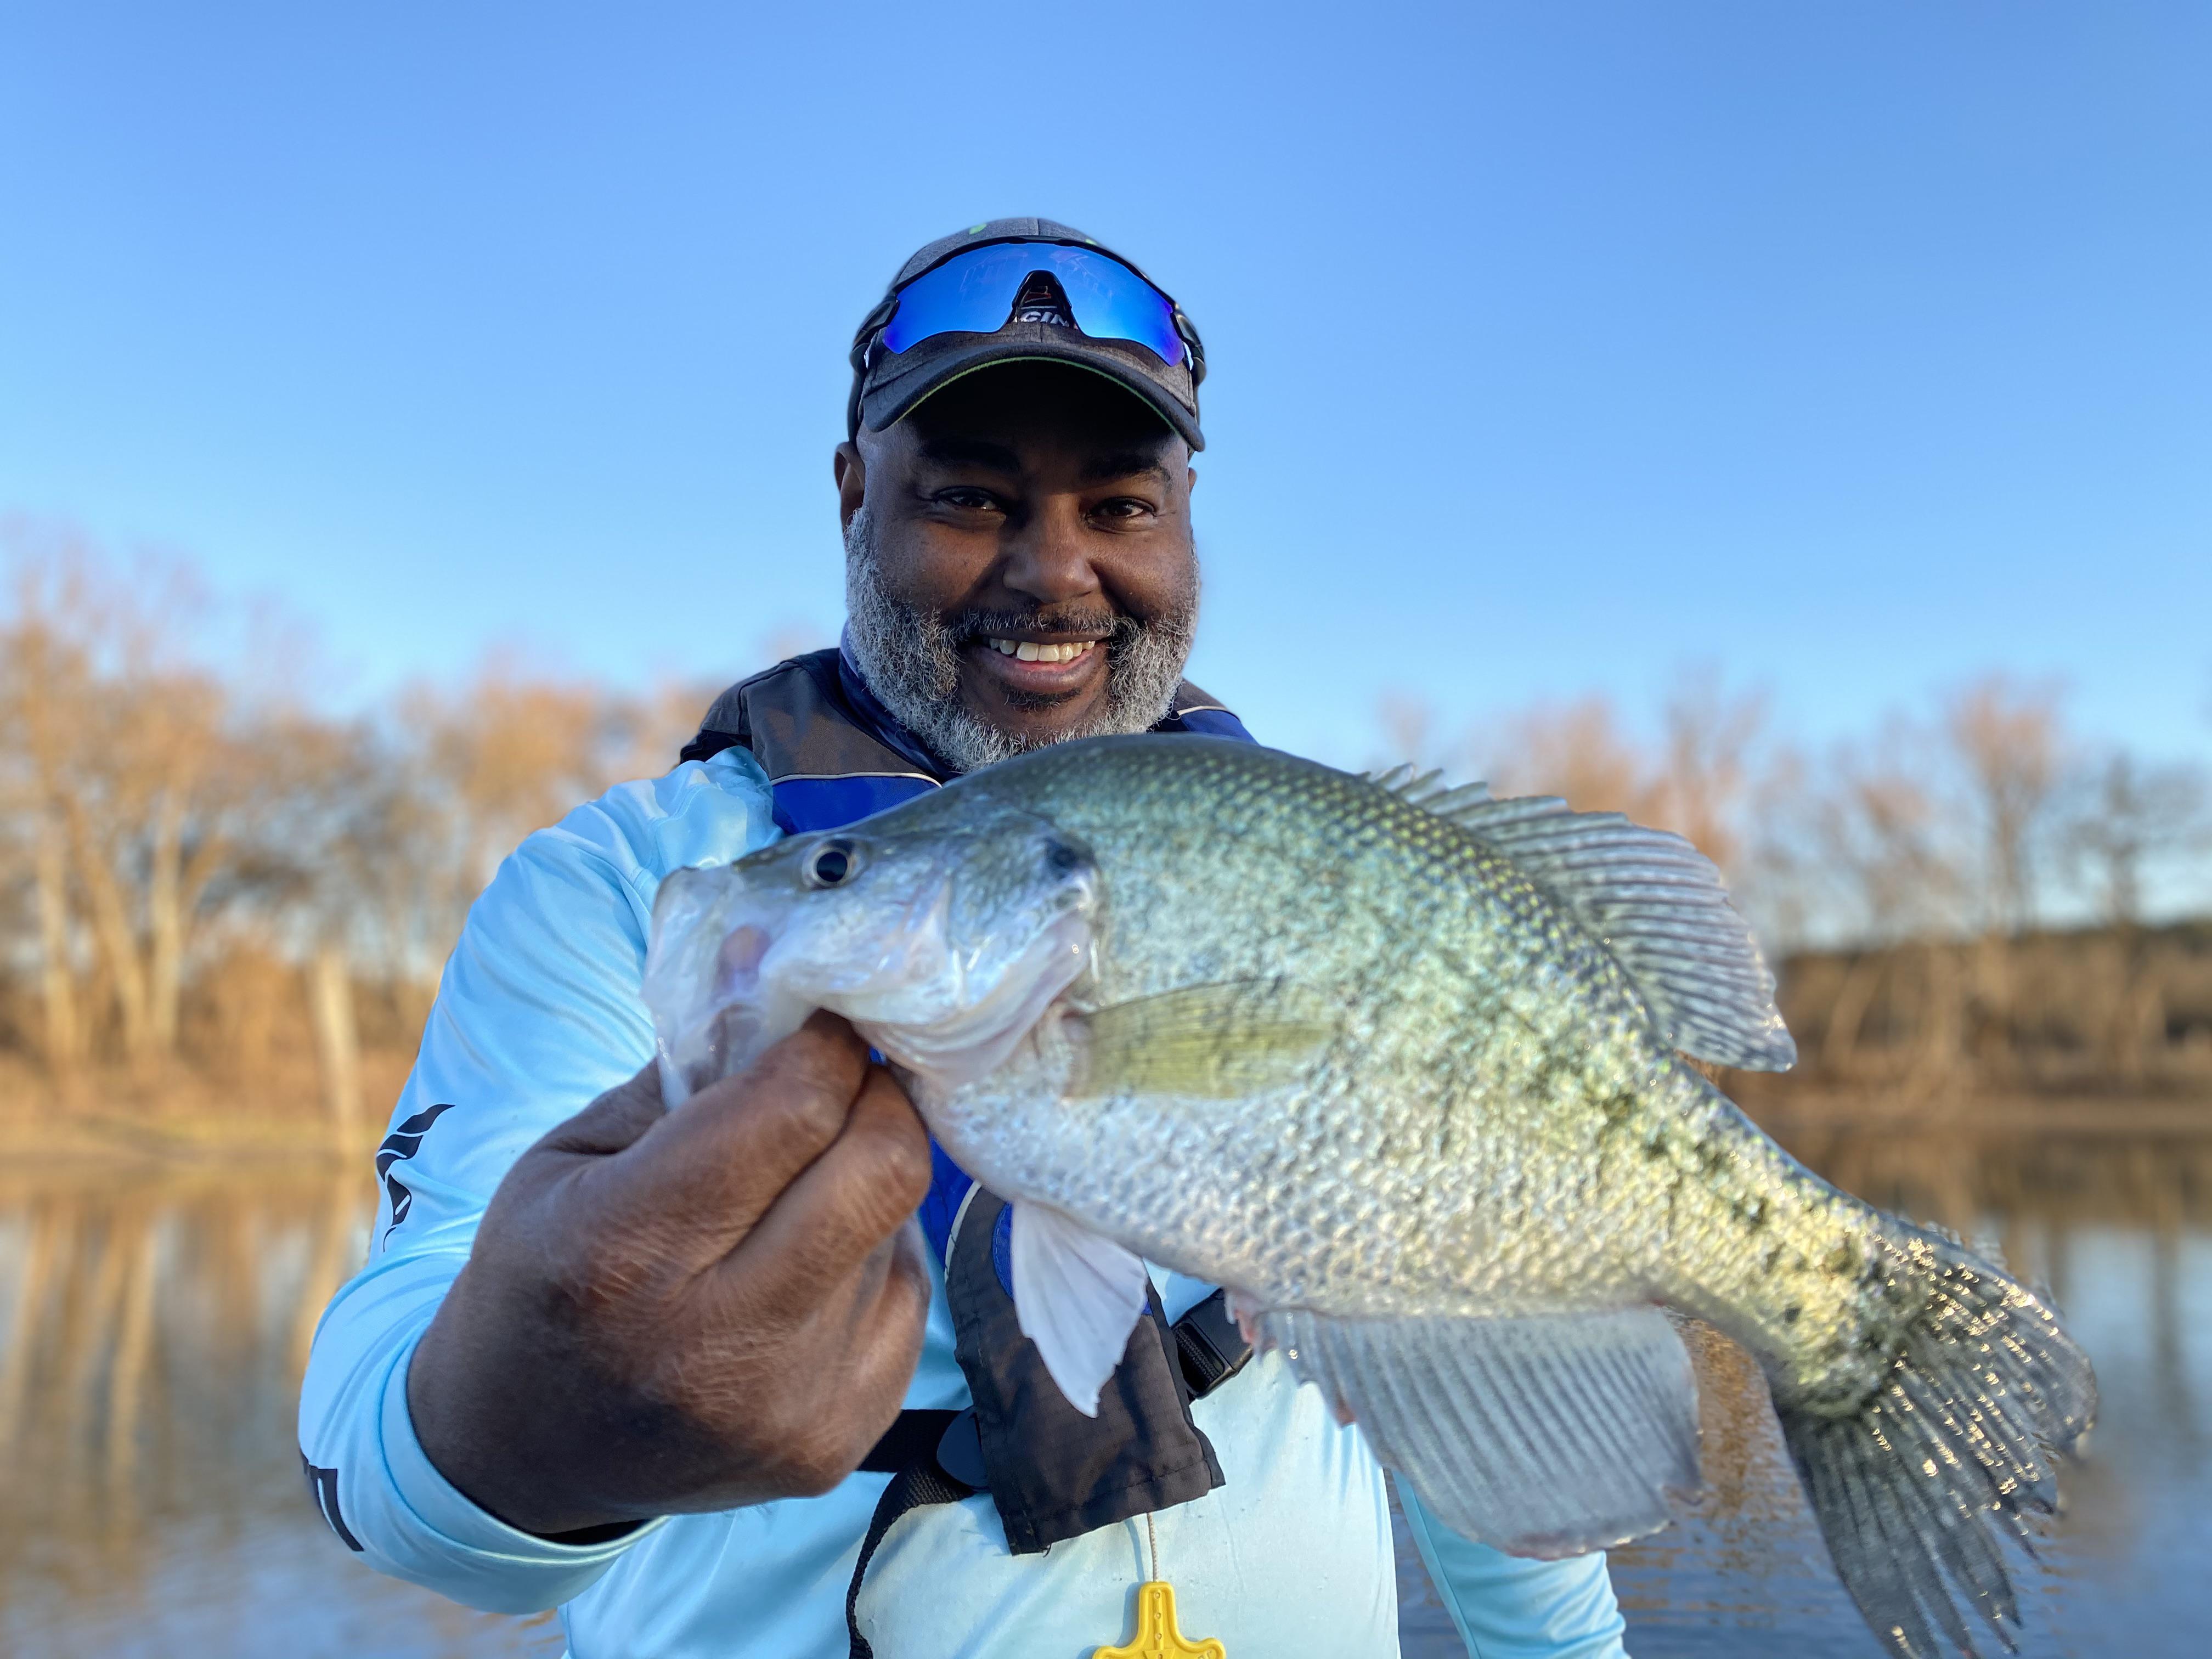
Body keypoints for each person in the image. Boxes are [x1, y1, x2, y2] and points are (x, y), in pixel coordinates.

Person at [299, 217, 1629, 1659]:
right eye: (974, 498)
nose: (1055, 573)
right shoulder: (628, 884)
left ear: (1189, 518)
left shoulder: (1324, 883)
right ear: (853, 493)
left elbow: (1468, 1395)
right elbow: (378, 1449)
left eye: (1121, 507)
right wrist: (523, 1423)